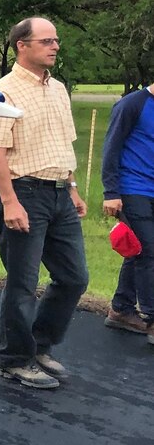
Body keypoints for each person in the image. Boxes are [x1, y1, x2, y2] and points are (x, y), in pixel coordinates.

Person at [0, 17, 88, 390]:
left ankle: (39, 346)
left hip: (59, 192)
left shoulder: (58, 88)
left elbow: (63, 143)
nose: (55, 46)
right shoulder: (2, 92)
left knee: (74, 277)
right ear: (21, 46)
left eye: (56, 40)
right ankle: (13, 360)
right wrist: (10, 202)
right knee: (23, 283)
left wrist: (72, 187)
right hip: (23, 192)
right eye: (46, 41)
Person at [101, 80, 154, 340]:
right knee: (148, 251)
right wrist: (111, 192)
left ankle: (121, 309)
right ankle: (152, 317)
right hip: (133, 187)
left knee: (137, 250)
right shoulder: (133, 104)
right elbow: (111, 147)